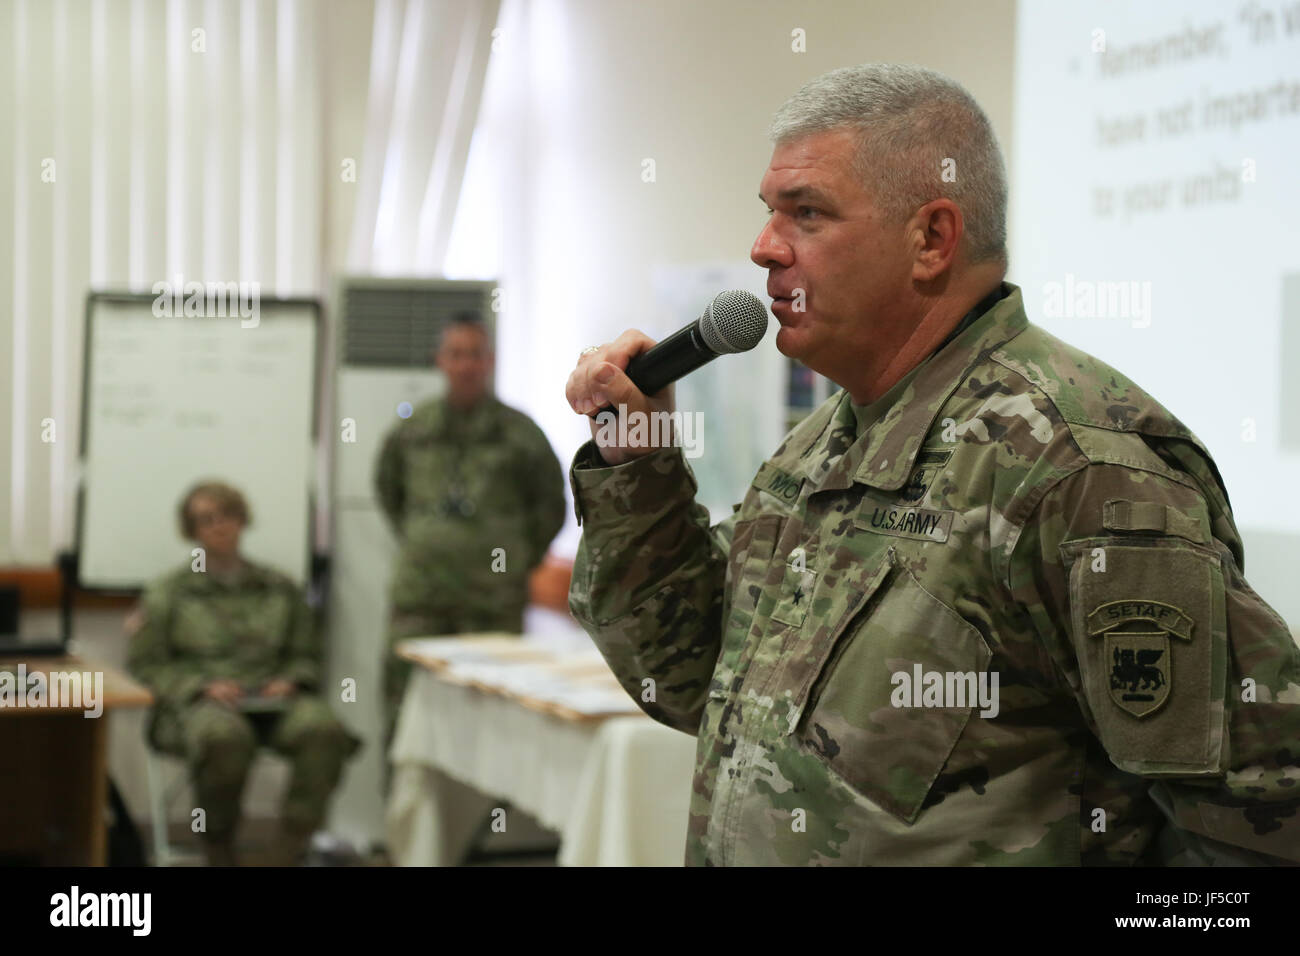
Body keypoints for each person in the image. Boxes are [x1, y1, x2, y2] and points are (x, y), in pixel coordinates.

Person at [564, 64, 1300, 866]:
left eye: (806, 213)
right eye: (770, 213)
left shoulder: (1079, 467)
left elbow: (1257, 819)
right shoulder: (819, 449)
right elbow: (683, 674)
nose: (764, 248)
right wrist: (635, 466)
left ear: (931, 239)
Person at [127, 481, 359, 866]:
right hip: (201, 705)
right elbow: (146, 665)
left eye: (228, 516)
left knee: (324, 729)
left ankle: (286, 849)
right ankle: (218, 848)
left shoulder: (279, 587)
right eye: (206, 519)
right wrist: (202, 686)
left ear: (242, 520)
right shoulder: (169, 593)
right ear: (191, 530)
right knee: (223, 738)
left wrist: (290, 680)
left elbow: (306, 654)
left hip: (273, 701)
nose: (219, 526)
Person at [374, 315, 566, 749]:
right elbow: (389, 492)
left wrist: (516, 559)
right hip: (420, 599)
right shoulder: (412, 428)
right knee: (405, 715)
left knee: (495, 718)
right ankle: (408, 815)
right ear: (440, 361)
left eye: (475, 354)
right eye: (456, 354)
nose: (466, 365)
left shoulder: (520, 433)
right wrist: (425, 540)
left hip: (492, 602)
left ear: (490, 361)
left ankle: (489, 819)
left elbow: (552, 504)